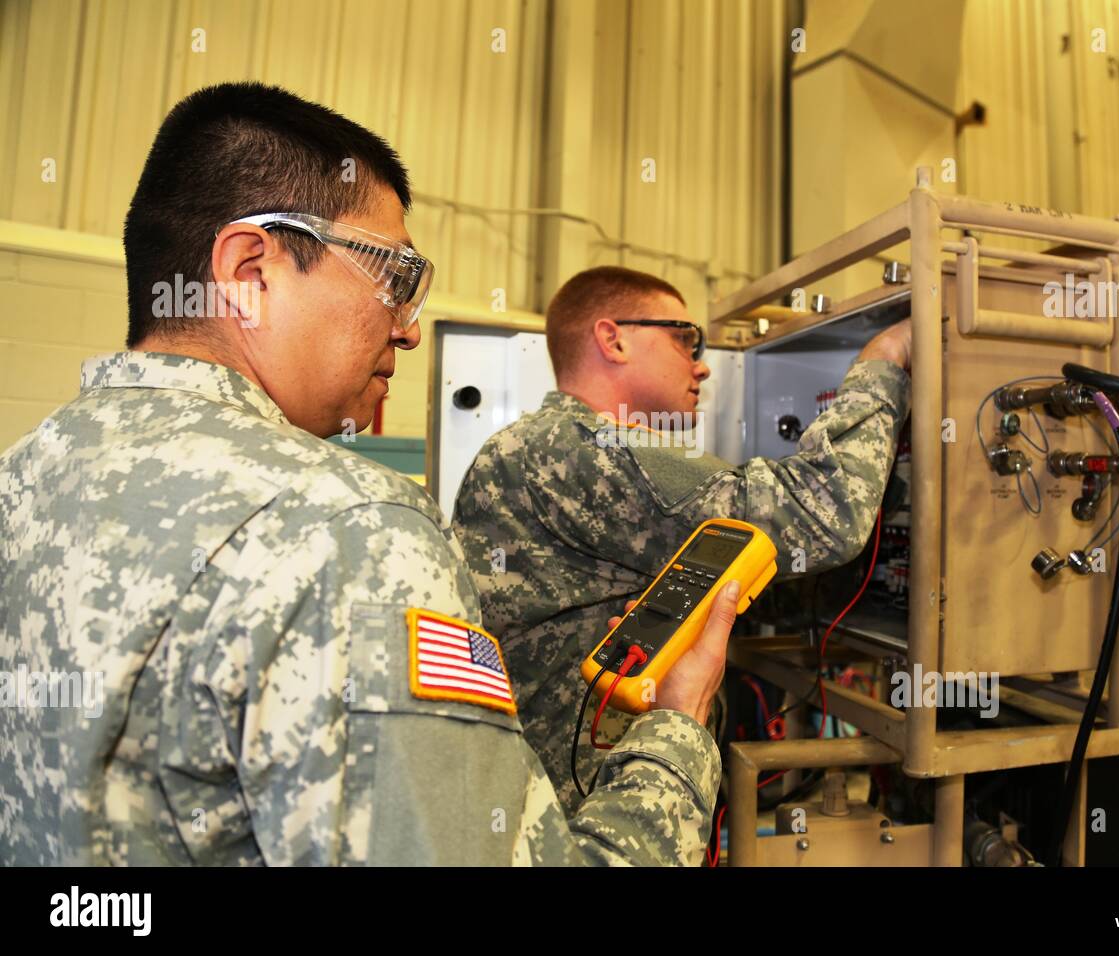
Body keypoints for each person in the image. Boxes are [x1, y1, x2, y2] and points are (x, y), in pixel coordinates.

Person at [0, 83, 734, 866]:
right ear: (252, 269)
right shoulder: (353, 528)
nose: (410, 328)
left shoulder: (25, 477)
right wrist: (679, 733)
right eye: (395, 278)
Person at [452, 265, 912, 810]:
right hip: (584, 813)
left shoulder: (532, 445)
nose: (701, 366)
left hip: (535, 795)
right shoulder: (593, 448)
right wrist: (883, 360)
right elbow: (829, 513)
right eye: (684, 338)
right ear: (613, 338)